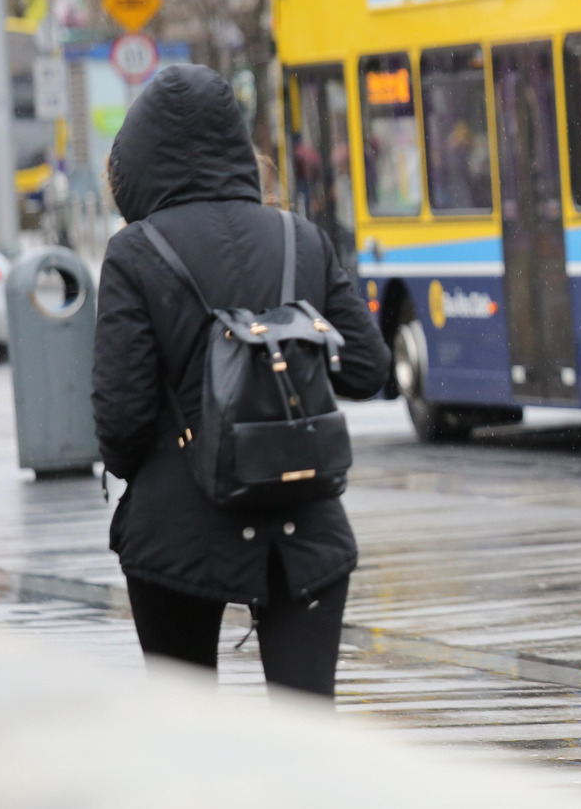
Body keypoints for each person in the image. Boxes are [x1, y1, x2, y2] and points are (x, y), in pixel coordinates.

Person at [92, 65, 390, 700]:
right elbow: (368, 369)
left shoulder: (136, 253)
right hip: (304, 524)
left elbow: (121, 421)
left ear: (138, 160)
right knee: (307, 733)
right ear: (237, 147)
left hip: (176, 532)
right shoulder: (298, 238)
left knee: (190, 732)